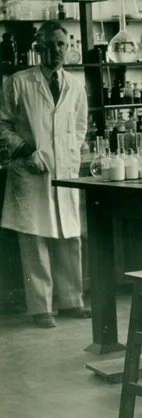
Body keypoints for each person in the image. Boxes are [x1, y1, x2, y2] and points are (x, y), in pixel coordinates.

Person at [0, 22, 89, 328]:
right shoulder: (17, 82)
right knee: (35, 239)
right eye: (48, 46)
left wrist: (68, 155)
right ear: (37, 49)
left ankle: (72, 301)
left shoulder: (76, 84)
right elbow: (2, 126)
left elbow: (79, 128)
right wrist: (26, 151)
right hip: (30, 170)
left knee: (69, 236)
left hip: (64, 171)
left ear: (68, 46)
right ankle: (41, 308)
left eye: (61, 45)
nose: (55, 51)